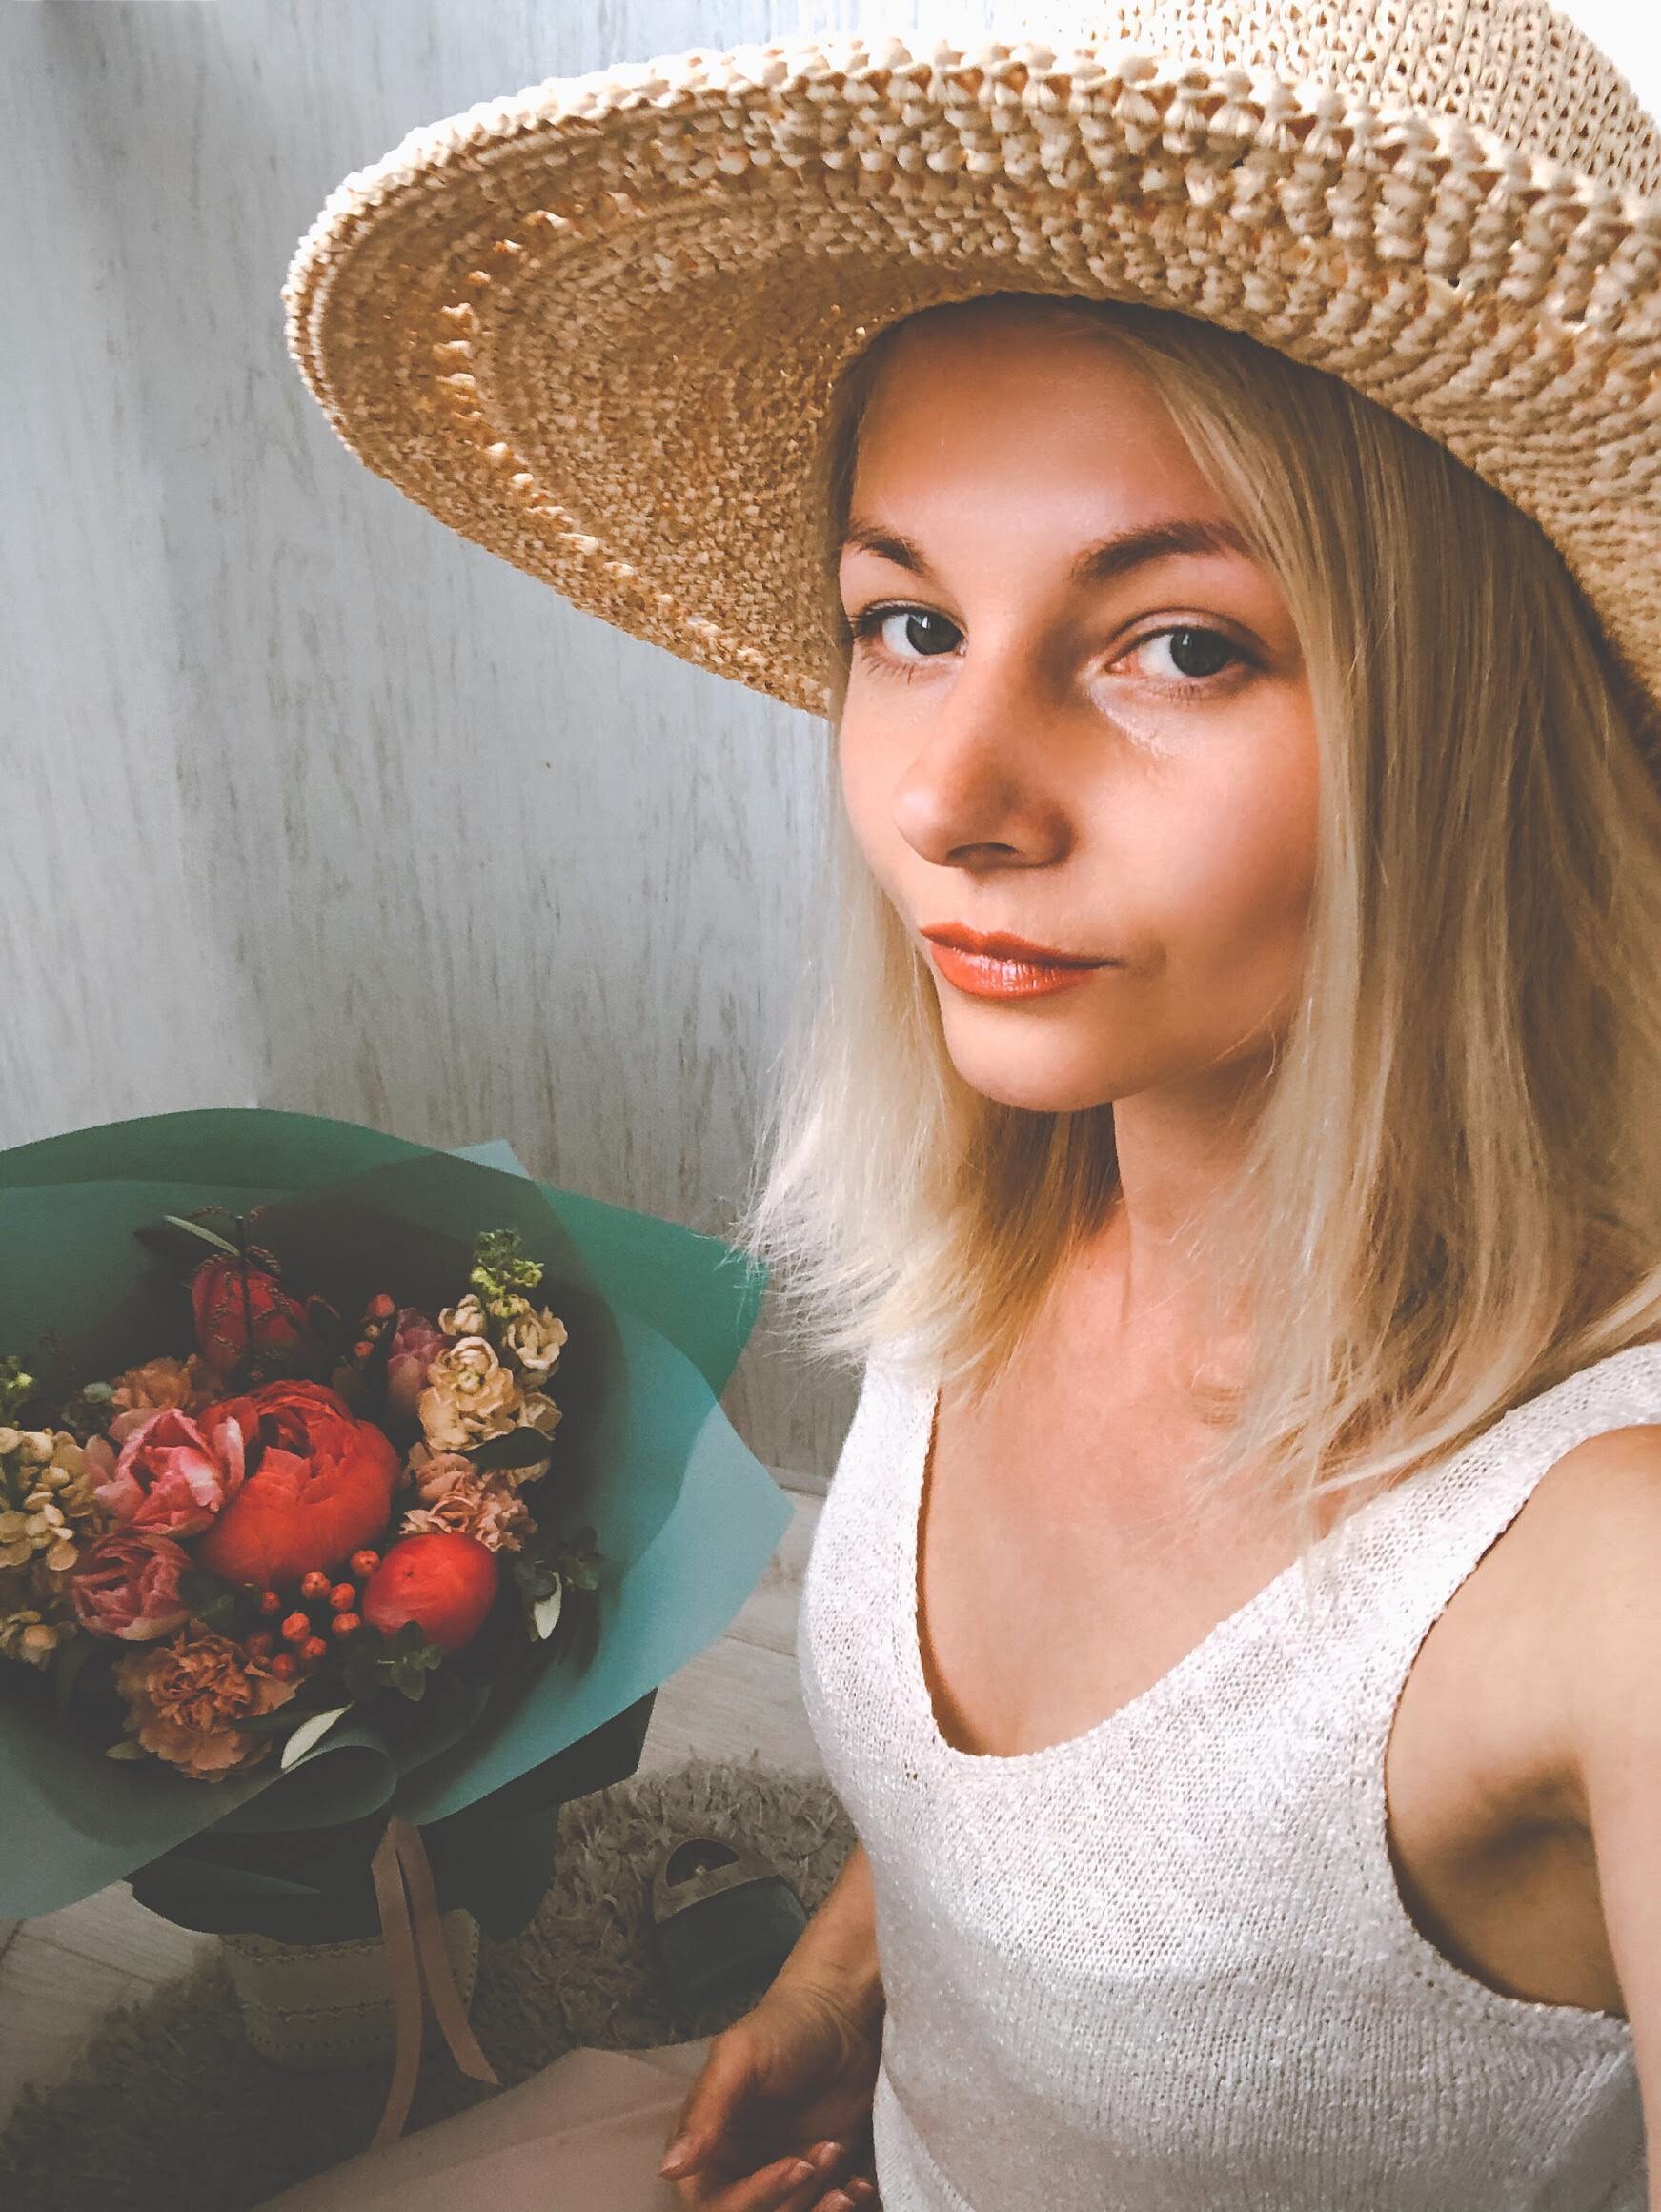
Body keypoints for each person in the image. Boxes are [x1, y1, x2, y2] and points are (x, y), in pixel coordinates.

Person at [267, 2, 1661, 2206]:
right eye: (905, 623)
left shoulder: (1612, 1564)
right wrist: (853, 1975)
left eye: (1175, 645)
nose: (953, 801)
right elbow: (1095, 1830)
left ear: (1483, 728)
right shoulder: (995, 1217)